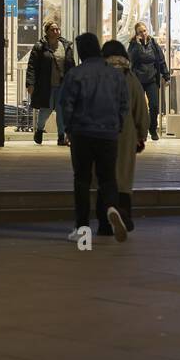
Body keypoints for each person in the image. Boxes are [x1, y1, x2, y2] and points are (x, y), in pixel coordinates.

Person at [59, 32, 129, 243]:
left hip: (82, 132)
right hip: (108, 134)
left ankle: (82, 229)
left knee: (82, 179)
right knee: (107, 178)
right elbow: (124, 104)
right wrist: (116, 124)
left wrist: (68, 129)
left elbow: (66, 103)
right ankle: (108, 214)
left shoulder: (76, 74)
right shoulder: (116, 75)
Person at [99, 40, 149, 233]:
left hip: (101, 132)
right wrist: (141, 134)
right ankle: (124, 214)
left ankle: (104, 223)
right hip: (126, 134)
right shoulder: (130, 77)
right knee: (124, 177)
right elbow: (141, 109)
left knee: (104, 176)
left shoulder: (99, 75)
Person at [25, 21, 75, 145]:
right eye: (53, 29)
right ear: (46, 31)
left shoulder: (66, 46)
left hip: (62, 85)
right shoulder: (40, 47)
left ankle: (61, 137)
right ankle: (40, 130)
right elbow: (32, 66)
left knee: (61, 111)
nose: (56, 31)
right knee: (45, 109)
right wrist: (30, 83)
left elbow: (71, 64)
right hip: (46, 84)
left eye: (57, 29)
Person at [128, 22, 170, 142]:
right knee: (139, 107)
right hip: (138, 80)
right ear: (136, 34)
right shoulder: (133, 45)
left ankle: (152, 128)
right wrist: (136, 44)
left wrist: (166, 75)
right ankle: (141, 131)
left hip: (151, 79)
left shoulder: (153, 44)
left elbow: (161, 60)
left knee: (154, 106)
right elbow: (130, 58)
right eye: (140, 32)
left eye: (144, 31)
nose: (143, 33)